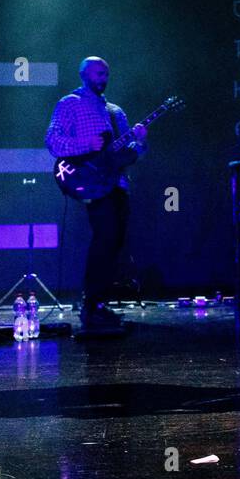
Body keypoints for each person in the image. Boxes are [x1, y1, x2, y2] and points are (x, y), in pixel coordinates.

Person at [45, 56, 147, 336]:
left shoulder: (116, 111)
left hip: (116, 184)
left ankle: (98, 303)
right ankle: (91, 304)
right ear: (84, 75)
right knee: (104, 239)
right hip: (90, 184)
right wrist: (85, 144)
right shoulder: (70, 104)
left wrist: (140, 140)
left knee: (114, 242)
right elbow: (52, 140)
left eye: (107, 73)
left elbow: (125, 155)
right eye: (99, 73)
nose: (104, 77)